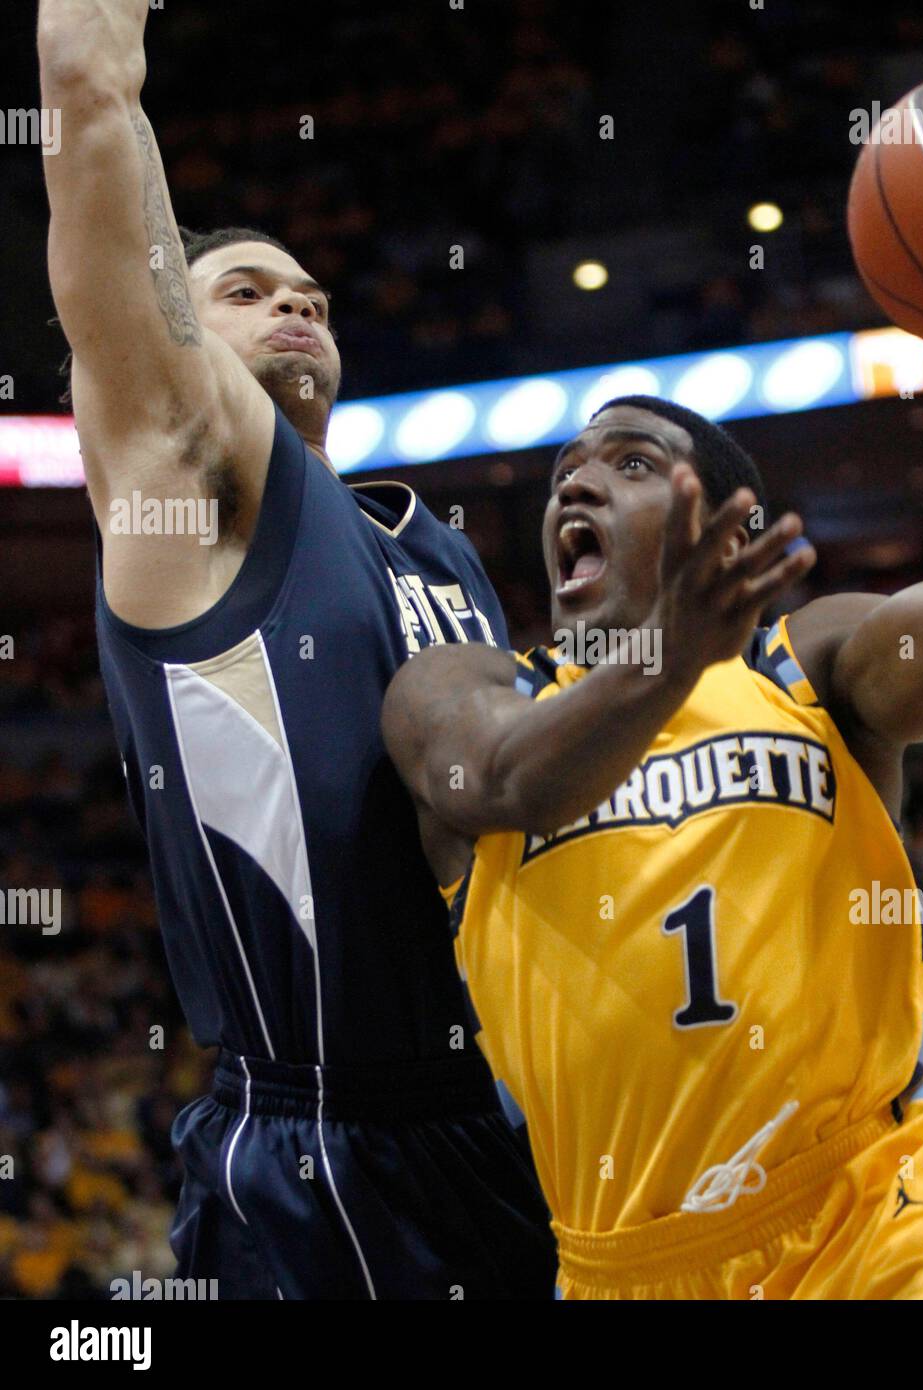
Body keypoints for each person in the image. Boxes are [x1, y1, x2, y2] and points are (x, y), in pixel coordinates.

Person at [381, 203, 923, 1299]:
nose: (575, 482)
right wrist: (660, 657)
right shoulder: (466, 688)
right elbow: (506, 778)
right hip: (630, 1266)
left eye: (631, 461)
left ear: (732, 530)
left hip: (872, 1208)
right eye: (567, 469)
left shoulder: (810, 667)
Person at [38, 0, 555, 1298]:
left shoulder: (436, 548)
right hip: (324, 1150)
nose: (298, 306)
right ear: (174, 333)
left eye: (313, 297)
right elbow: (92, 107)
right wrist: (96, 58)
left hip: (519, 1110)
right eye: (248, 292)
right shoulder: (186, 488)